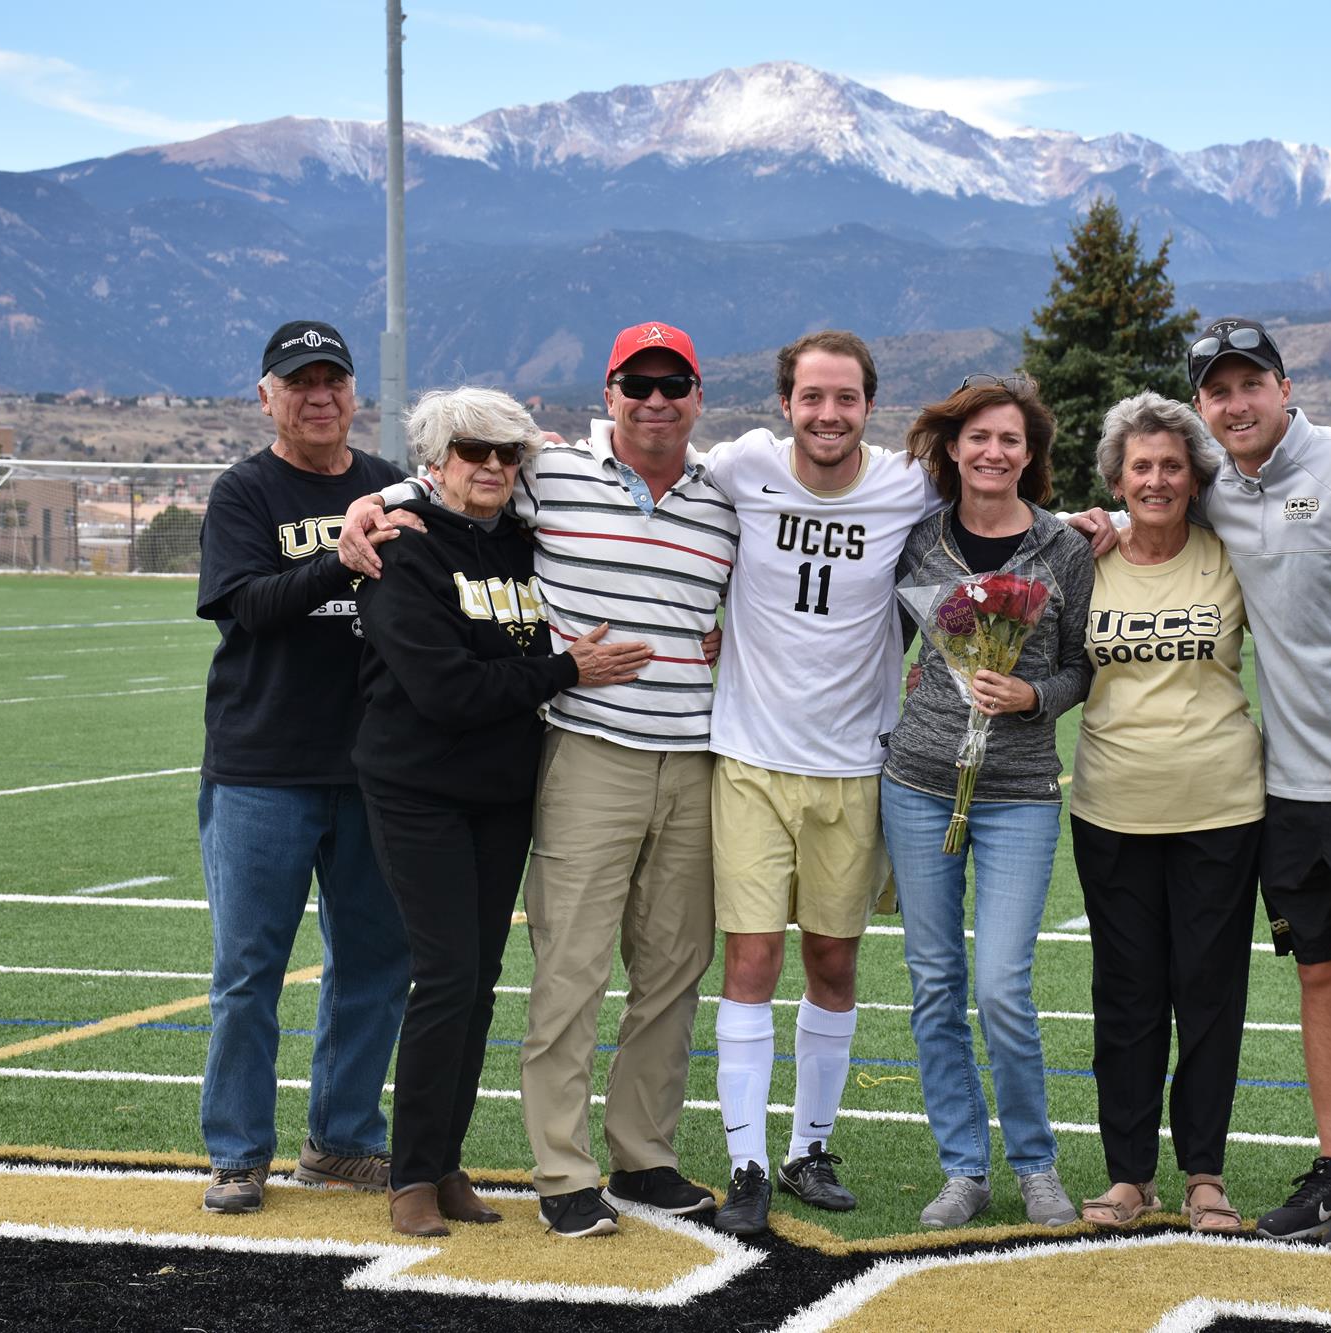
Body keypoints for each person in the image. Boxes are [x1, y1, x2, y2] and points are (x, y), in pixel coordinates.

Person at [1077, 318, 1331, 1250]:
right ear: (1206, 409)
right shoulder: (1219, 496)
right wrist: (1095, 524)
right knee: (1324, 970)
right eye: (1219, 390)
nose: (1236, 402)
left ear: (1285, 388)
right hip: (1288, 787)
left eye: (1251, 383)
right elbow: (1146, 516)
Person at [343, 321, 736, 1238]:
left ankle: (644, 1156)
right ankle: (561, 1168)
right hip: (586, 752)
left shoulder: (727, 494)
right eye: (636, 382)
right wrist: (372, 505)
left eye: (672, 382)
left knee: (674, 971)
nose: (654, 398)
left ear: (697, 395)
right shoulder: (550, 476)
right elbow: (444, 476)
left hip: (696, 754)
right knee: (569, 970)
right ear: (609, 394)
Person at [703, 332, 945, 1236]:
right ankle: (747, 1162)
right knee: (753, 960)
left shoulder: (908, 484)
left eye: (845, 398)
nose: (828, 414)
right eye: (812, 397)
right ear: (785, 403)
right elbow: (636, 464)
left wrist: (1097, 521)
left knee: (834, 962)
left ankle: (809, 1147)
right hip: (753, 760)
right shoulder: (742, 466)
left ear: (869, 407)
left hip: (856, 766)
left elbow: (1005, 504)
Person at [195, 320, 410, 1214]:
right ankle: (238, 1153)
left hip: (376, 769)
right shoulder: (244, 492)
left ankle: (344, 1141)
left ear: (355, 394)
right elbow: (246, 605)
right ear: (266, 396)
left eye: (334, 380)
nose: (319, 395)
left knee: (376, 962)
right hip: (262, 768)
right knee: (249, 971)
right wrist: (339, 560)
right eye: (299, 381)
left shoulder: (393, 487)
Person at [882, 375, 1094, 1230]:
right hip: (919, 783)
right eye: (978, 438)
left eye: (1011, 440)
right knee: (934, 984)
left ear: (1031, 454)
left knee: (1002, 983)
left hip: (1020, 793)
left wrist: (1034, 697)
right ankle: (963, 1168)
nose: (993, 453)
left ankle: (1035, 1162)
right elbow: (880, 640)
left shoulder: (1064, 548)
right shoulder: (918, 543)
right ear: (952, 449)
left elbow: (1082, 664)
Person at [1068, 392, 1263, 1234]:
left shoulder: (1231, 556)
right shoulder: (1085, 559)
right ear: (1117, 477)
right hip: (1112, 808)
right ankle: (1129, 1175)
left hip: (1222, 807)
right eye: (1140, 466)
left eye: (1172, 466)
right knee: (1128, 995)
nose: (1155, 479)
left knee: (1209, 993)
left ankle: (1205, 1175)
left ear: (1195, 479)